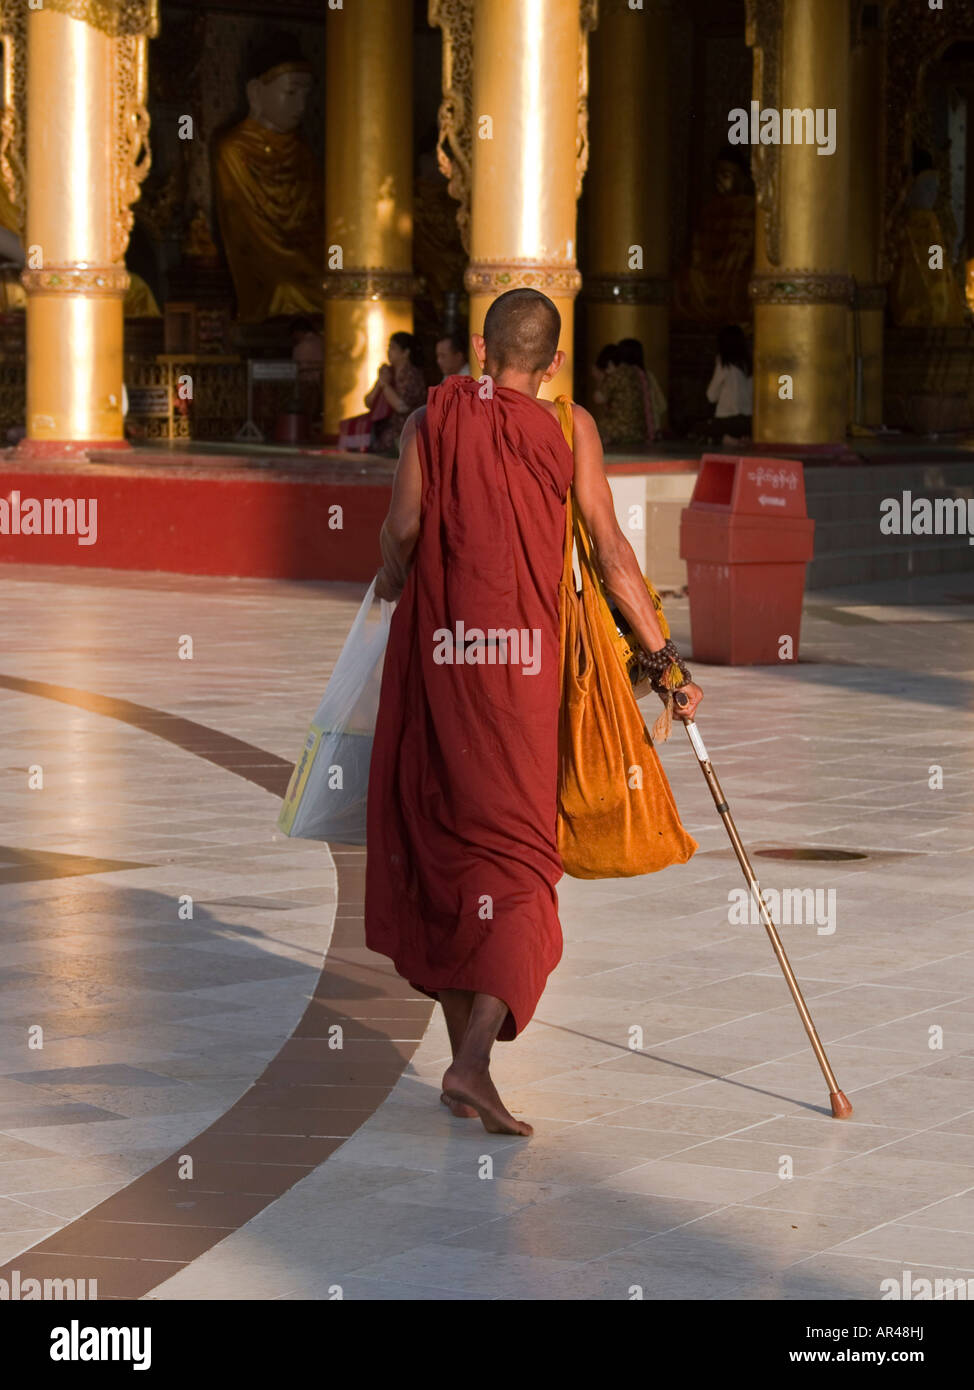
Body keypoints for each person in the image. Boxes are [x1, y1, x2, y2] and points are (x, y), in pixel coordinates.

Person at [366, 288, 703, 1136]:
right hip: (523, 675)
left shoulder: (427, 423)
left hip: (440, 663)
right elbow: (612, 549)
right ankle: (471, 1062)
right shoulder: (567, 427)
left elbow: (401, 534)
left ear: (479, 351)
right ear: (553, 363)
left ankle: (464, 1063)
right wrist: (663, 663)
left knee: (448, 849)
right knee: (517, 865)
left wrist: (404, 580)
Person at [363, 332, 428, 454]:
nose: (388, 351)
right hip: (383, 425)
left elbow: (401, 407)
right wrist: (380, 383)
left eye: (393, 348)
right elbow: (368, 402)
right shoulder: (388, 372)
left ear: (406, 353)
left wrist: (386, 386)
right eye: (388, 347)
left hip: (405, 427)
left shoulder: (412, 375)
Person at [701, 324, 753, 442]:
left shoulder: (724, 364)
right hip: (748, 421)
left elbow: (711, 395)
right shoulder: (749, 365)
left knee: (699, 429)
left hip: (727, 420)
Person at [591, 340, 647, 448]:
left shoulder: (616, 375)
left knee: (589, 430)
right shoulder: (634, 372)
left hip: (620, 428)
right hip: (639, 430)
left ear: (610, 363)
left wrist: (600, 379)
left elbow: (598, 398)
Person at [617, 338, 667, 442]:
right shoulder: (648, 375)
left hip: (624, 430)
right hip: (652, 430)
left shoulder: (620, 376)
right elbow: (662, 404)